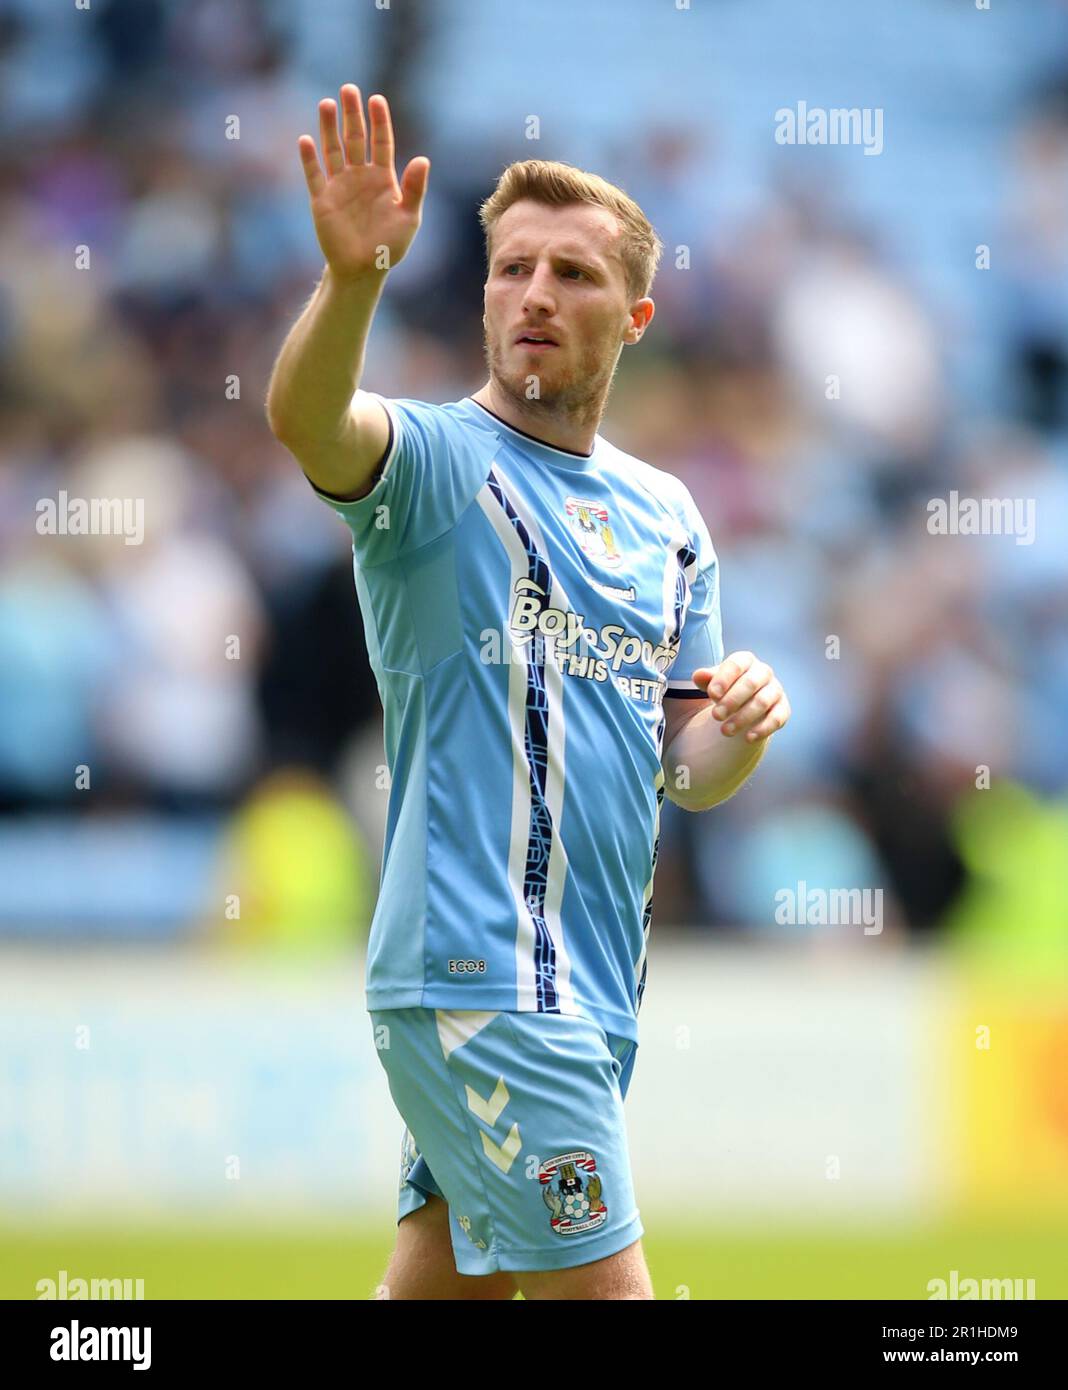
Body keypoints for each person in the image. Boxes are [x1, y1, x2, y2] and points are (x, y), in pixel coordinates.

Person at [265, 86, 791, 1301]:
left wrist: (743, 729)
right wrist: (352, 281)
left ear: (638, 315)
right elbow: (308, 422)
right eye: (511, 269)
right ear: (484, 294)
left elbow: (686, 764)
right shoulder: (438, 466)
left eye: (572, 273)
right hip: (485, 982)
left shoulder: (668, 515)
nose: (536, 294)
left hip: (593, 991)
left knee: (440, 1286)